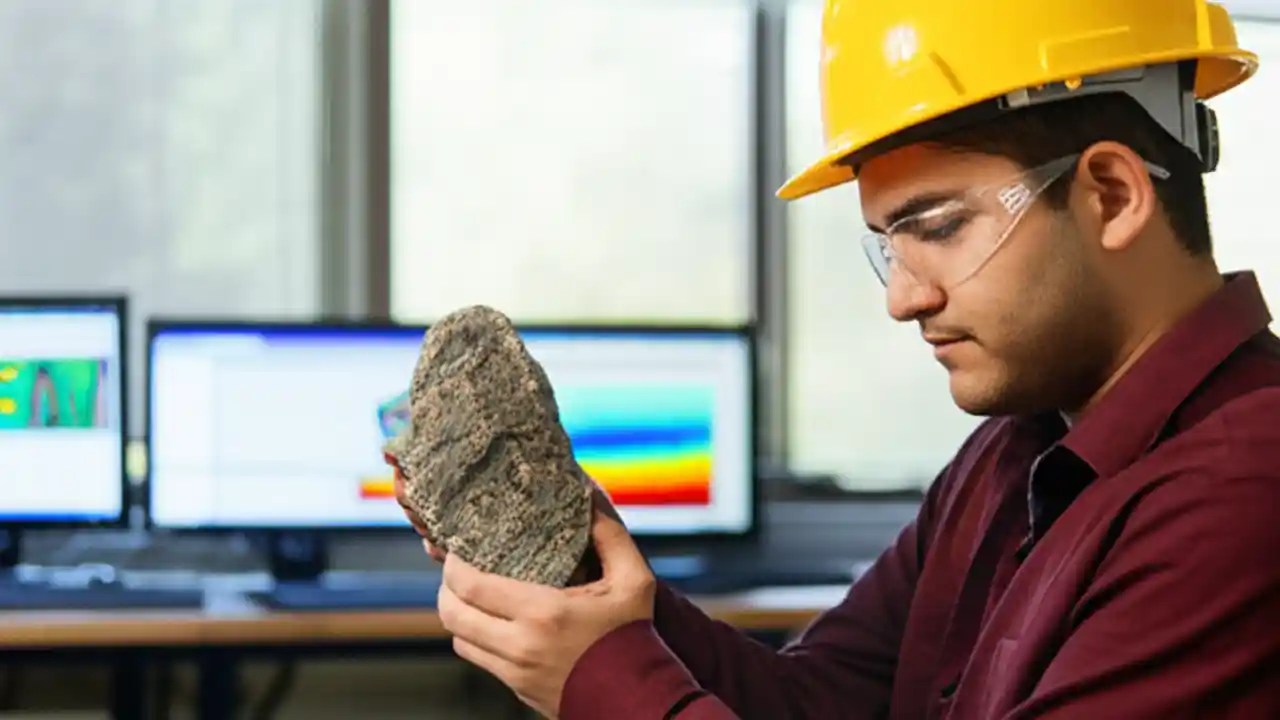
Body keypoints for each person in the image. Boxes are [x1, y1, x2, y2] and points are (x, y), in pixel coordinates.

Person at [394, 1, 1280, 717]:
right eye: (887, 246)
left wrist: (604, 684)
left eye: (938, 228)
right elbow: (819, 701)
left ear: (1113, 194)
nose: (903, 298)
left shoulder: (1245, 493)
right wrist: (590, 583)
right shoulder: (1012, 452)